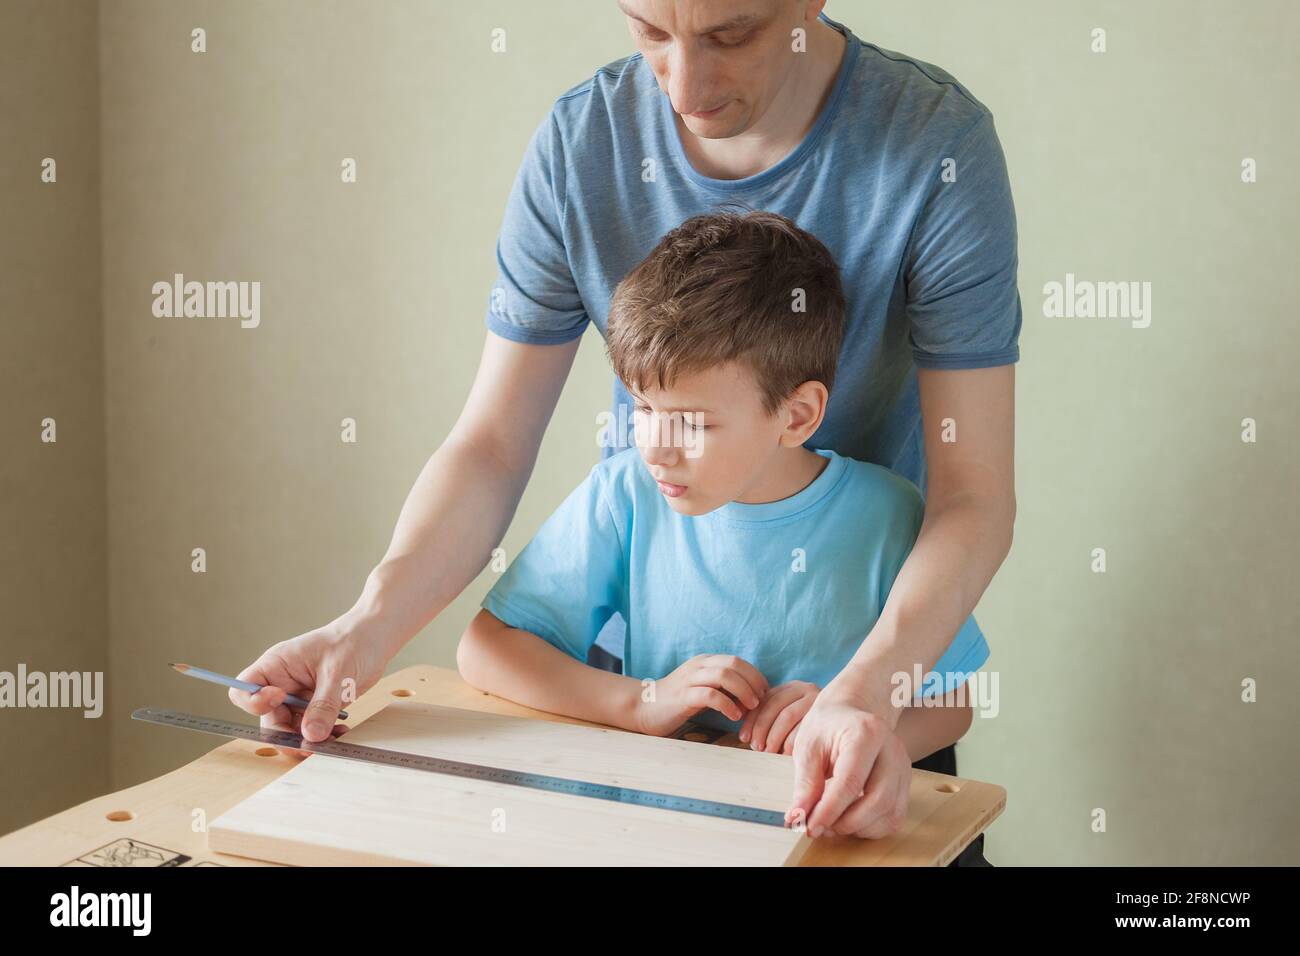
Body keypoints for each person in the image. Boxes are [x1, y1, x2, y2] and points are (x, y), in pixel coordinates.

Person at [230, 1, 1018, 844]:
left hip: (877, 690)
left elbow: (973, 492)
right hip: (643, 745)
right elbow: (491, 444)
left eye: (730, 34)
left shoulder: (936, 144)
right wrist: (367, 626)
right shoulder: (582, 146)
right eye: (648, 30)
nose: (683, 86)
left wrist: (867, 697)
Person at [458, 209, 987, 794]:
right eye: (644, 409)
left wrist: (840, 734)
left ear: (797, 415)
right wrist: (639, 703)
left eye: (691, 423)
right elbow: (486, 649)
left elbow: (953, 704)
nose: (656, 448)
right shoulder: (623, 494)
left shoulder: (889, 516)